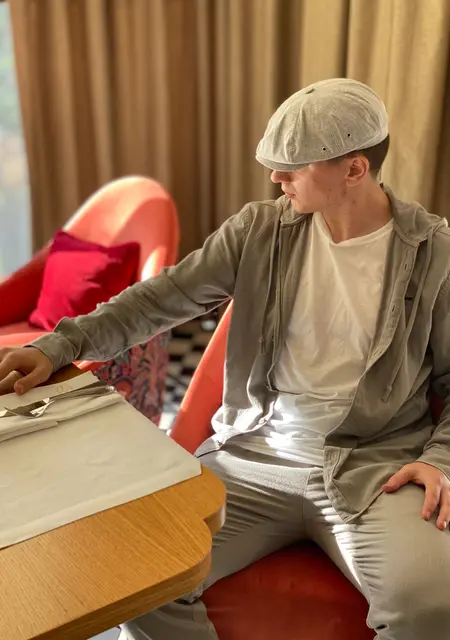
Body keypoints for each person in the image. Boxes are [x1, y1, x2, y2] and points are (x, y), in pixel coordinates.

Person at [1, 78, 450, 640]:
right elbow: (157, 299)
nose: (276, 178)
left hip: (374, 468)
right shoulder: (258, 231)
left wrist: (441, 459)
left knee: (432, 605)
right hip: (252, 455)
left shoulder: (435, 253)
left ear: (354, 170)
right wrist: (57, 345)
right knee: (135, 575)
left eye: (293, 166)